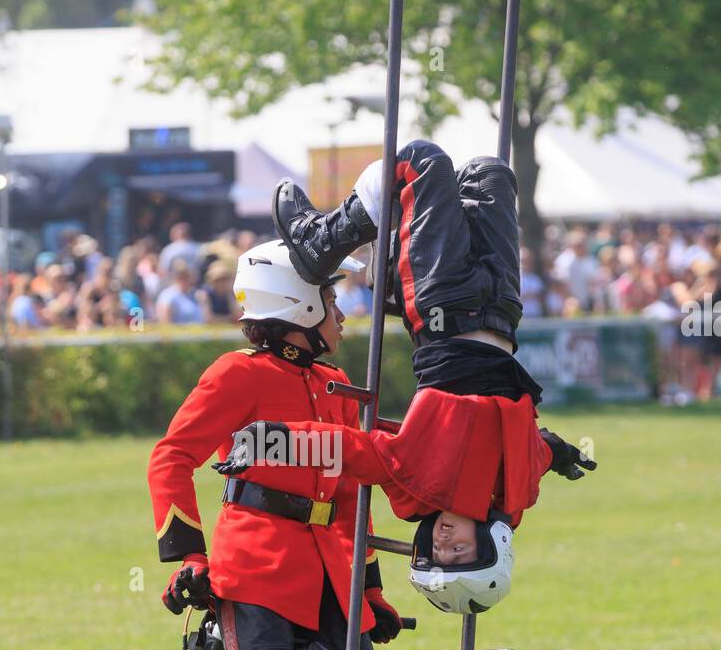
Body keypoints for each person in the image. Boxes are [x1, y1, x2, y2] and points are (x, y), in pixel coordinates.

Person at [220, 141, 595, 615]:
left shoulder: (418, 491)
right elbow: (535, 451)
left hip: (443, 312)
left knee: (418, 162)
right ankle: (354, 238)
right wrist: (559, 452)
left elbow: (352, 449)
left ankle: (320, 243)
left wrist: (270, 442)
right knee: (491, 173)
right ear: (492, 543)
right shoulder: (519, 495)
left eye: (437, 554)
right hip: (502, 311)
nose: (443, 541)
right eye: (459, 553)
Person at [147, 241, 402, 650]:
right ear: (300, 306)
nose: (344, 313)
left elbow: (350, 494)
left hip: (326, 573)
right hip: (253, 565)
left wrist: (369, 588)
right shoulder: (239, 374)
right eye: (333, 299)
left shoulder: (332, 386)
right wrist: (189, 556)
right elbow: (172, 457)